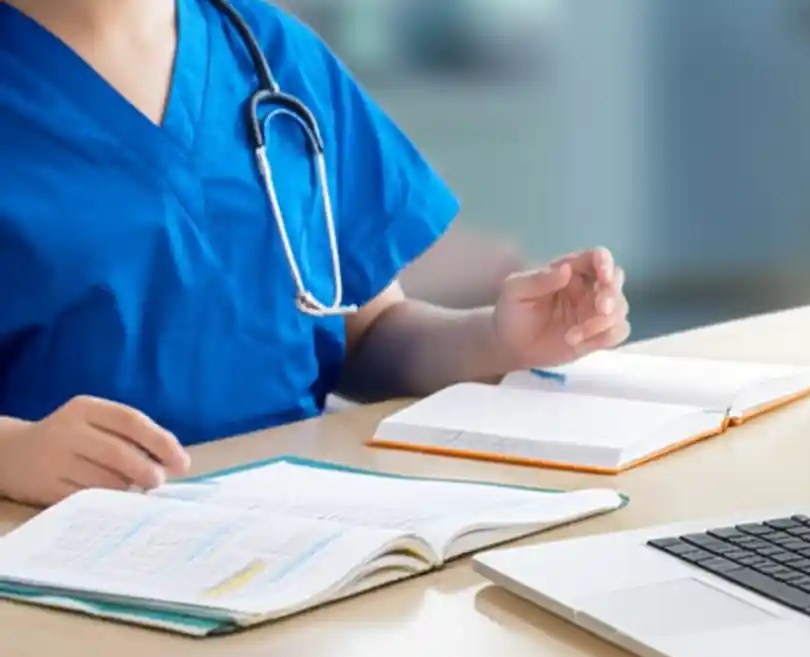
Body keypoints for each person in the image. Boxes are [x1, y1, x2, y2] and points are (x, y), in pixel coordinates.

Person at [0, 0, 631, 507]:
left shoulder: (274, 55)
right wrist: (16, 454)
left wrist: (501, 342)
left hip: (291, 530)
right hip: (57, 551)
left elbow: (367, 334)